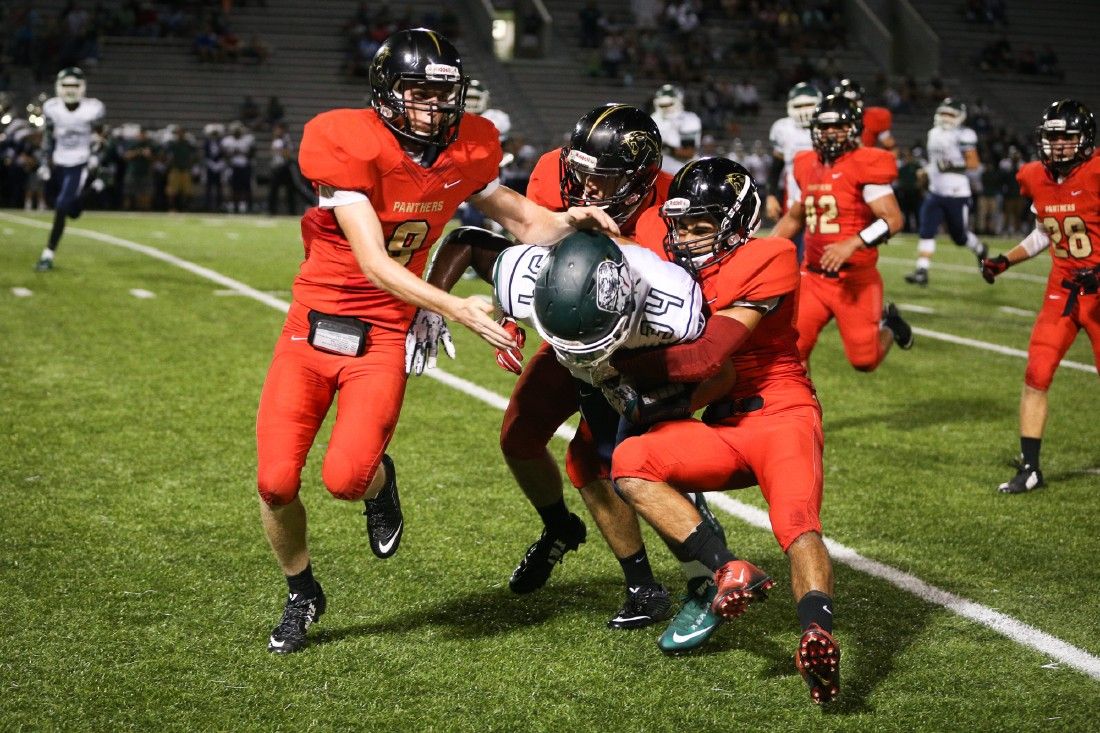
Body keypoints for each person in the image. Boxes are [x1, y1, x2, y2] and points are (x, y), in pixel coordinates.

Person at [257, 28, 616, 655]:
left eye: (443, 93)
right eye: (418, 93)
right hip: (313, 324)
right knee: (275, 481)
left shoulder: (465, 149)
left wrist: (570, 224)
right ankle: (302, 592)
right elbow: (372, 260)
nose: (433, 107)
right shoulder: (346, 143)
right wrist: (453, 306)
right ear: (387, 95)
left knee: (346, 478)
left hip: (384, 333)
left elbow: (525, 219)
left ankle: (377, 480)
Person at [417, 104, 733, 652]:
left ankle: (698, 579)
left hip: (642, 353)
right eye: (579, 171)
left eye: (602, 177)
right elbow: (510, 252)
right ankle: (576, 539)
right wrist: (508, 315)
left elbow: (693, 315)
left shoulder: (671, 208)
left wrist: (668, 391)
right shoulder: (550, 173)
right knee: (521, 438)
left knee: (627, 462)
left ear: (638, 180)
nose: (584, 185)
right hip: (573, 343)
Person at [608, 157, 841, 704]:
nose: (685, 238)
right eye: (681, 225)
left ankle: (817, 631)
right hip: (721, 421)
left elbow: (706, 357)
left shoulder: (771, 255)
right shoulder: (671, 259)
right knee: (629, 463)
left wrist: (613, 361)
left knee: (797, 525)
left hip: (780, 414)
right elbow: (620, 234)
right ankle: (728, 568)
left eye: (701, 226)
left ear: (738, 224)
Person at [979, 99, 1100, 494]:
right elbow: (1045, 232)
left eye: (1067, 138)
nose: (1059, 145)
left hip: (1098, 292)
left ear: (1084, 140)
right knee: (1036, 374)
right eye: (1052, 137)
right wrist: (1006, 260)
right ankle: (1030, 469)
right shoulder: (1034, 175)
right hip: (1062, 290)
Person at [772, 94, 913, 373]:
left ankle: (891, 326)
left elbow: (894, 219)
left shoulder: (866, 162)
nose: (829, 134)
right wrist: (761, 250)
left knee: (864, 361)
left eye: (836, 127)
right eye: (823, 127)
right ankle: (803, 412)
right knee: (792, 351)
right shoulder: (805, 163)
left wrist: (853, 243)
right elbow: (794, 217)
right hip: (812, 275)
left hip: (855, 280)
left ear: (853, 129)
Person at [905, 98, 988, 286]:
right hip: (935, 192)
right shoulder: (933, 133)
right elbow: (936, 162)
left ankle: (981, 249)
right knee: (926, 230)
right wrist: (926, 170)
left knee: (960, 237)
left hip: (957, 193)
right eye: (943, 113)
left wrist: (950, 165)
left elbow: (974, 164)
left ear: (960, 117)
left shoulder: (965, 134)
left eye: (950, 114)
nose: (945, 117)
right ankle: (922, 270)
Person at [34, 67, 106, 271]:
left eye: (74, 85)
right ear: (58, 87)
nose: (70, 89)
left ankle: (47, 255)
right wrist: (43, 163)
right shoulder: (52, 107)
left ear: (83, 87)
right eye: (66, 85)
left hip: (79, 163)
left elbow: (101, 139)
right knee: (68, 210)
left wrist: (96, 160)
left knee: (61, 207)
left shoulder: (93, 108)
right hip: (58, 163)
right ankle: (94, 190)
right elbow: (47, 138)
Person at [766, 82, 821, 224]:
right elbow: (776, 167)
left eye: (808, 104)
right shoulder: (783, 129)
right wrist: (771, 195)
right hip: (793, 197)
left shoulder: (827, 126)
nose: (804, 110)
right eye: (799, 106)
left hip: (825, 194)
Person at [651, 84, 702, 175]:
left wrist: (666, 148)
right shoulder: (654, 118)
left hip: (682, 169)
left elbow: (688, 152)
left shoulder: (688, 119)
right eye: (662, 105)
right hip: (658, 170)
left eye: (669, 104)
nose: (665, 107)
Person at [834, 78, 895, 151]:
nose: (849, 107)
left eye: (853, 103)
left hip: (863, 159)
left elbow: (890, 146)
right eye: (846, 103)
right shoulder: (829, 121)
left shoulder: (872, 117)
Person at [266, 121, 297, 215]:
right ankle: (272, 210)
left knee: (289, 191)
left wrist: (280, 151)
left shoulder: (285, 139)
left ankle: (292, 211)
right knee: (273, 190)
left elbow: (288, 153)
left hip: (284, 167)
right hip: (276, 167)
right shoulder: (276, 139)